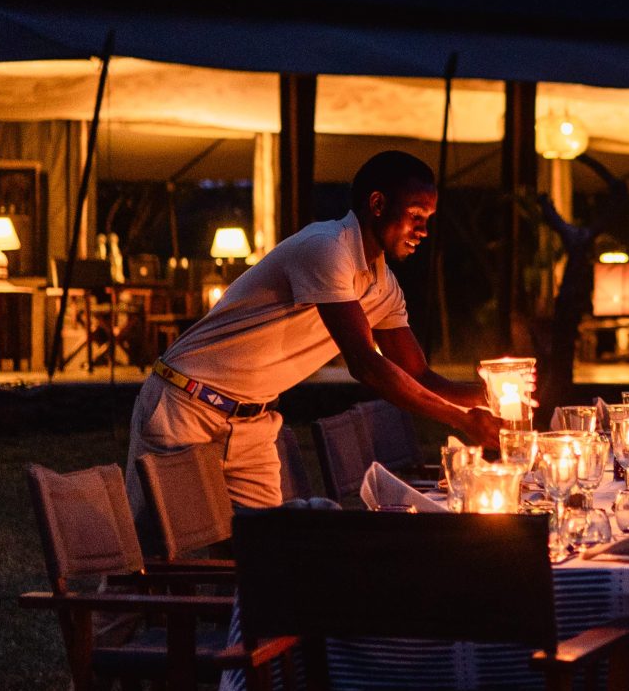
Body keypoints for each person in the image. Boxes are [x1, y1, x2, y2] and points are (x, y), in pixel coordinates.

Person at [127, 150, 502, 514]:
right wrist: (462, 419)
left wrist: (494, 397)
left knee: (265, 554)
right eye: (416, 215)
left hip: (252, 425)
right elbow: (365, 364)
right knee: (153, 548)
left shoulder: (383, 286)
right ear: (377, 204)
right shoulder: (326, 248)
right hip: (185, 404)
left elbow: (416, 374)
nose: (423, 230)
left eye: (428, 219)